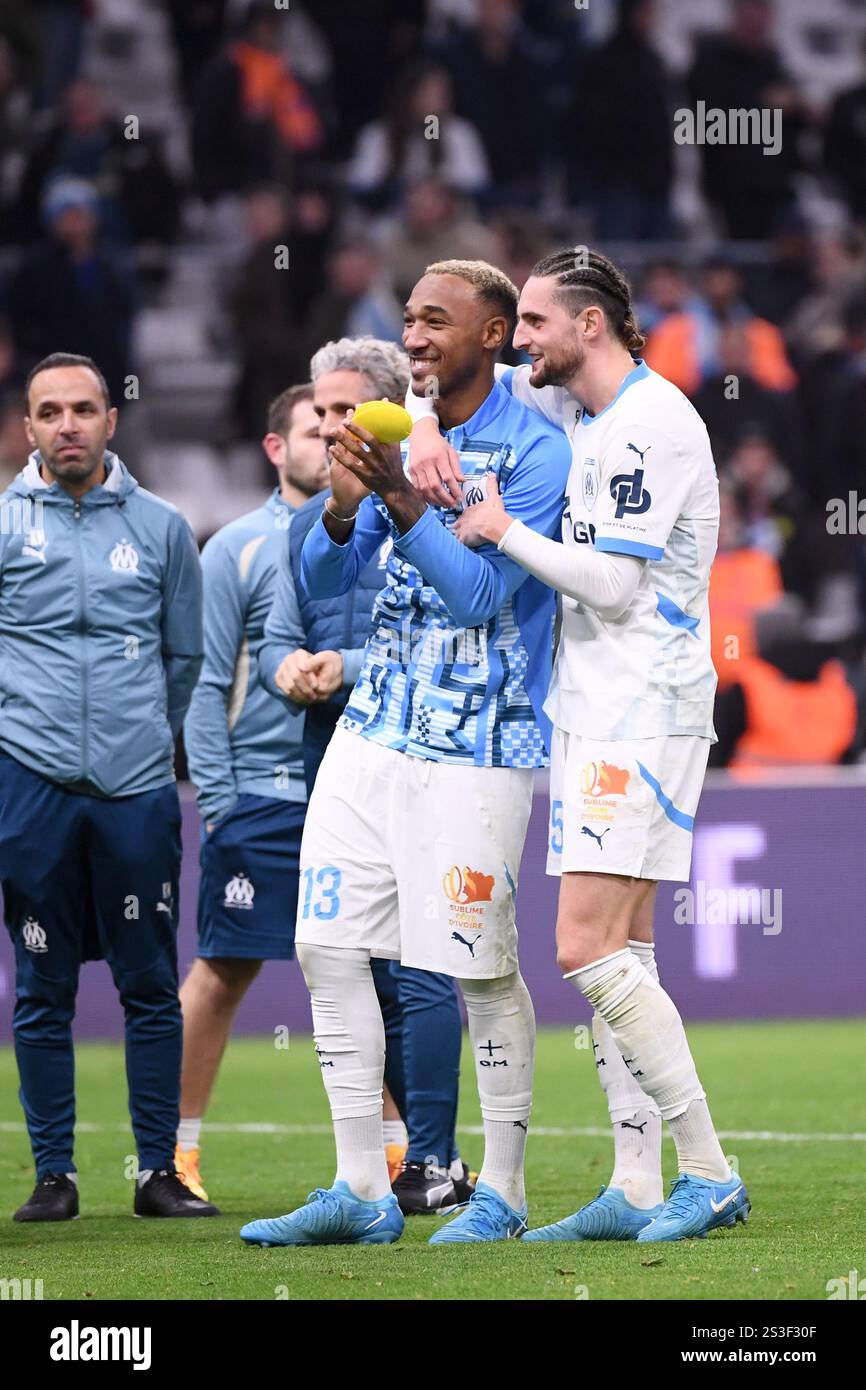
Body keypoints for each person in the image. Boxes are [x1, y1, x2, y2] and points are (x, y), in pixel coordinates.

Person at [410, 248, 750, 1244]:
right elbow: (448, 378)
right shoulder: (578, 405)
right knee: (628, 949)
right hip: (598, 705)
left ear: (588, 326)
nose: (519, 343)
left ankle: (708, 1168)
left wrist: (497, 527)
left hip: (641, 705)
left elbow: (610, 585)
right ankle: (637, 1181)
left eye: (533, 324)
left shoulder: (650, 425)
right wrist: (424, 421)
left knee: (581, 947)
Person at [239, 259, 571, 1248]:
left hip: (480, 741)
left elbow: (480, 601)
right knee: (326, 944)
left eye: (436, 320)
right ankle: (359, 1185)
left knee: (470, 965)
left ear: (494, 333)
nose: (415, 336)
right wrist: (344, 507)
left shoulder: (536, 455)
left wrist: (401, 500)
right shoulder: (395, 427)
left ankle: (501, 1190)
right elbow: (327, 571)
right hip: (373, 726)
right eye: (408, 319)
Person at [258, 337, 476, 1215]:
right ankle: (387, 1158)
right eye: (320, 414)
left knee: (427, 961)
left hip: (425, 749)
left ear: (393, 414)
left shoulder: (433, 494)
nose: (331, 428)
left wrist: (343, 664)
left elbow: (446, 624)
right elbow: (280, 625)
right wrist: (289, 669)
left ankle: (437, 1158)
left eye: (348, 411)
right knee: (352, 958)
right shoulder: (313, 521)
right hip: (332, 753)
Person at [1, 353, 210, 1221]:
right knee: (41, 982)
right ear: (29, 428)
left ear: (111, 420)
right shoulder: (4, 524)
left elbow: (185, 658)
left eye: (84, 409)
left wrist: (136, 739)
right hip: (30, 782)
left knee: (150, 981)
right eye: (50, 412)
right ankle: (55, 1175)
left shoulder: (162, 527)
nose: (69, 425)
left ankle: (158, 1172)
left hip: (135, 787)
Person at [177, 383, 326, 1206]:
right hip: (261, 795)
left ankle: (407, 1154)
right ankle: (172, 1152)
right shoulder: (232, 546)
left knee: (369, 973)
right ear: (276, 448)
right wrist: (222, 800)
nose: (328, 440)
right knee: (223, 971)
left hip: (348, 788)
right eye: (312, 429)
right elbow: (204, 684)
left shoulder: (366, 531)